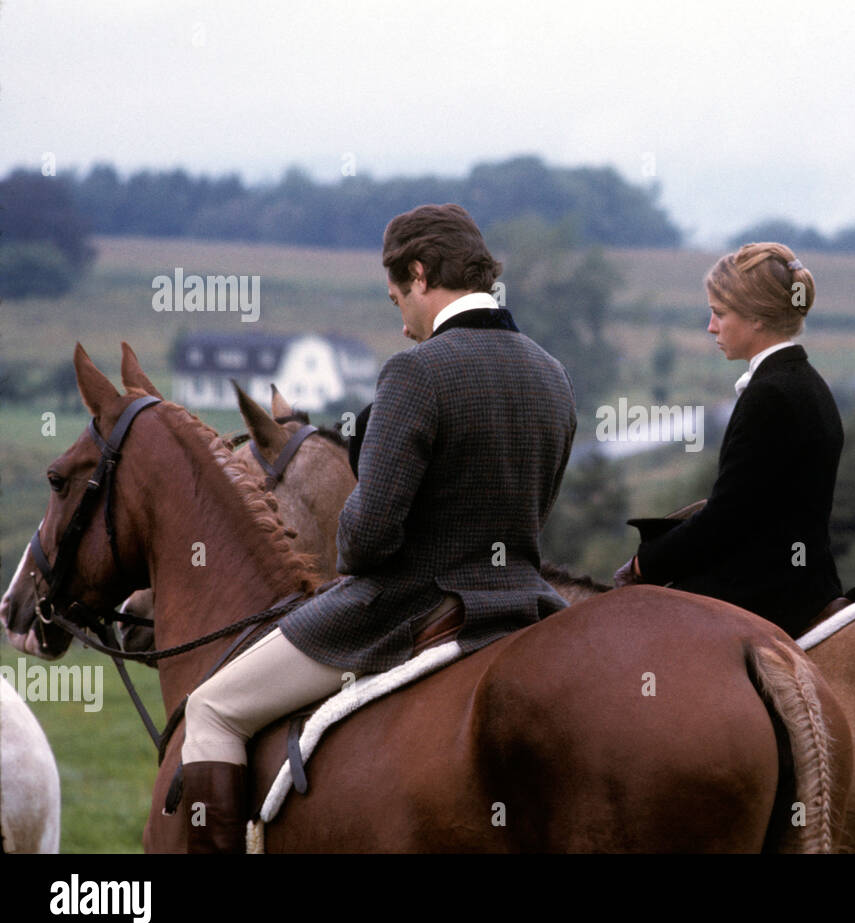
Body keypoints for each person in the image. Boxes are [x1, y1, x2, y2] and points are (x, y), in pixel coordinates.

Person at [180, 204, 577, 853]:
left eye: (399, 298)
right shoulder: (551, 374)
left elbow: (365, 542)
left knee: (212, 710)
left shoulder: (415, 372)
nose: (402, 321)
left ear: (420, 273)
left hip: (406, 610)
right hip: (528, 604)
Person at [616, 242, 844, 637]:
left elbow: (728, 518)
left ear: (756, 317)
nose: (711, 326)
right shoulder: (808, 382)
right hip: (806, 580)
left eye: (720, 313)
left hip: (767, 592)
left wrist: (646, 562)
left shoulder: (770, 394)